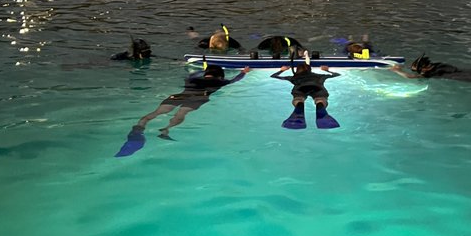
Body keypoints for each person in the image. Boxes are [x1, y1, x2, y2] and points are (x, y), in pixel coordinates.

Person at [115, 64, 250, 155]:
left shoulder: (191, 80)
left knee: (155, 113)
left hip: (179, 96)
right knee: (182, 113)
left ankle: (140, 127)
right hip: (198, 98)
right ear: (220, 76)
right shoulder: (221, 82)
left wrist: (200, 70)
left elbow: (193, 74)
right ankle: (166, 129)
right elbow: (235, 80)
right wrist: (243, 72)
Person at [271, 61, 341, 129]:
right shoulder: (319, 76)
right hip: (317, 88)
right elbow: (337, 75)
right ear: (310, 69)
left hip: (300, 88)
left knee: (298, 98)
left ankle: (299, 108)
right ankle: (321, 108)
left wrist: (282, 70)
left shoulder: (294, 77)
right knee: (320, 99)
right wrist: (327, 70)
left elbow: (274, 76)